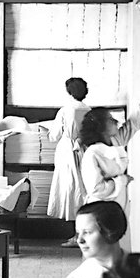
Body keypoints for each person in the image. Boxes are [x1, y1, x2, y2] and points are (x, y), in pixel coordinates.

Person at [78, 75, 140, 250]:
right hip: (100, 211)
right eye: (111, 120)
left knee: (120, 250)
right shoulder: (92, 154)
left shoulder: (116, 141)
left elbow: (136, 121)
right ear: (100, 127)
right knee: (103, 254)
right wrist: (121, 181)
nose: (117, 122)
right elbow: (96, 189)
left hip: (119, 206)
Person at [45, 76, 89, 245]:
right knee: (82, 189)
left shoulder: (65, 110)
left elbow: (54, 135)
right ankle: (81, 234)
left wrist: (49, 131)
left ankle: (75, 235)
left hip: (67, 150)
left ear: (70, 91)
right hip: (83, 150)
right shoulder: (88, 109)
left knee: (70, 190)